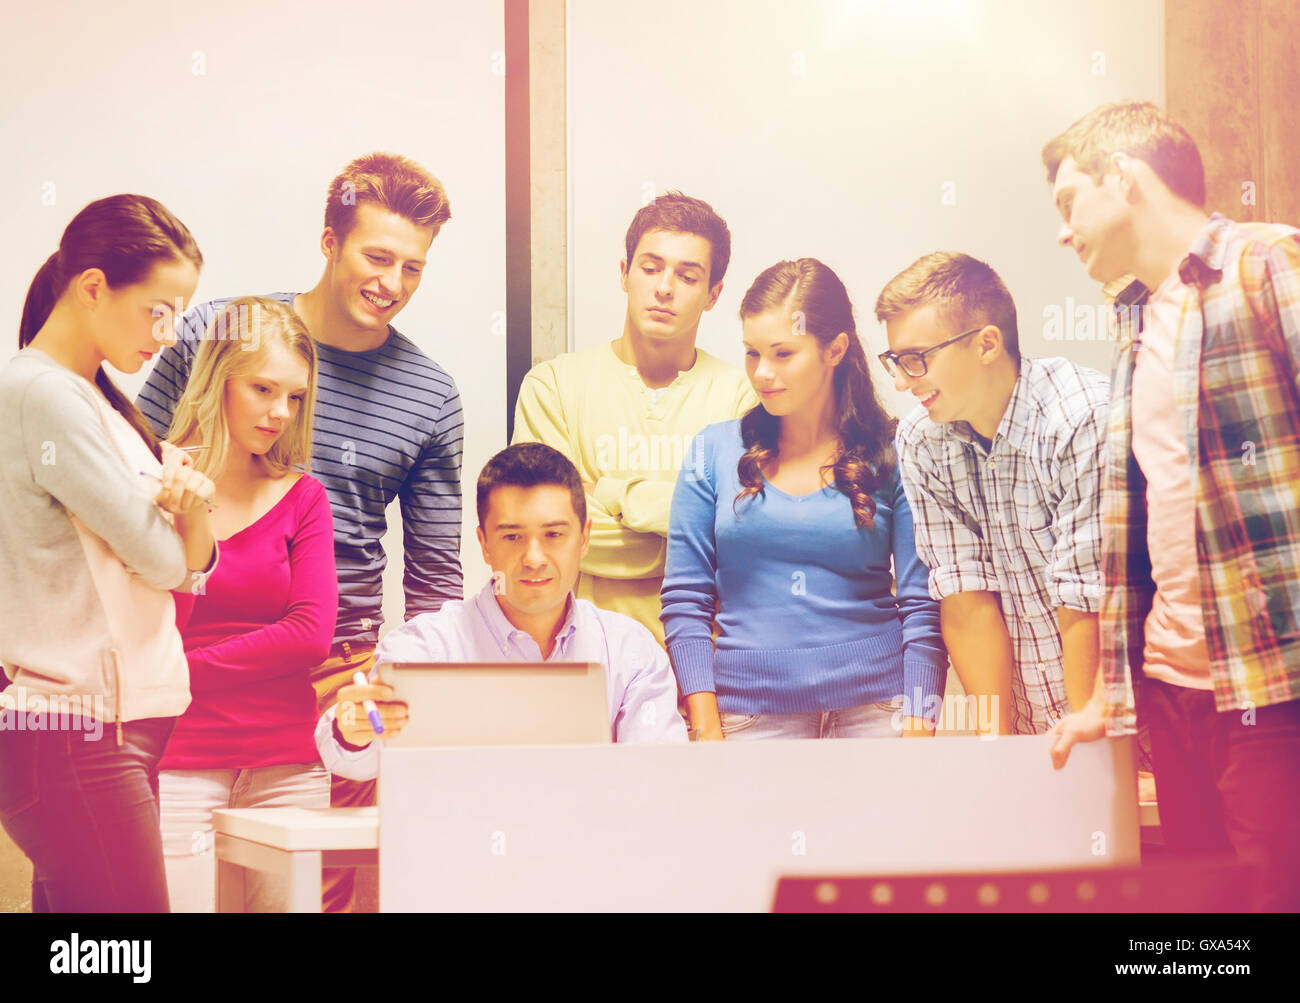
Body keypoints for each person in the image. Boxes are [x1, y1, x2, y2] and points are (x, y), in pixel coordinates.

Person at [137, 152, 462, 912]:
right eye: (377, 257)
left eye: (413, 268)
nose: (392, 284)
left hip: (337, 680)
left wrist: (390, 710)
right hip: (189, 668)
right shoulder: (228, 330)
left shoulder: (431, 394)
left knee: (328, 895)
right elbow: (139, 473)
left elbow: (435, 584)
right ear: (329, 242)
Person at [1043, 100, 1300, 910]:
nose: (1062, 232)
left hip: (1273, 688)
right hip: (1173, 695)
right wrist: (1107, 698)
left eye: (1067, 202)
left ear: (1124, 177)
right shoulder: (1134, 319)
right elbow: (1145, 528)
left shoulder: (1268, 264)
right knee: (1201, 929)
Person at [0, 195, 216, 912]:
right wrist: (179, 523)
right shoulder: (43, 396)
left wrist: (185, 523)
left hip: (101, 735)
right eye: (158, 309)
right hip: (75, 735)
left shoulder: (95, 401)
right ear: (93, 287)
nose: (168, 334)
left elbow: (189, 560)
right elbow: (165, 563)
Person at [661, 258, 946, 741]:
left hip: (880, 711)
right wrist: (705, 725)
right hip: (746, 716)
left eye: (783, 353)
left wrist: (920, 720)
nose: (762, 373)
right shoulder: (712, 451)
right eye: (752, 353)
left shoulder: (893, 454)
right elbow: (685, 600)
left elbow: (923, 603)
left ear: (835, 349)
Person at [317, 442, 686, 778]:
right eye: (512, 536)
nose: (534, 558)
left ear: (584, 537)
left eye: (554, 534)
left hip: (589, 846)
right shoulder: (423, 649)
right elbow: (361, 760)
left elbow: (658, 776)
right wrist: (350, 728)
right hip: (459, 846)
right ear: (484, 543)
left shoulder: (631, 652)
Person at [875, 251, 1108, 736]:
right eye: (895, 361)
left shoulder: (1081, 418)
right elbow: (964, 595)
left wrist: (1085, 740)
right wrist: (997, 744)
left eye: (917, 360)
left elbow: (1088, 599)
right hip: (1028, 727)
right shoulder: (922, 439)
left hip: (1129, 724)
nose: (900, 382)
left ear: (986, 344)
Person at [512, 192, 757, 648]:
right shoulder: (553, 388)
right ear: (625, 273)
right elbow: (541, 532)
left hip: (704, 667)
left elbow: (742, 533)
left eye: (688, 276)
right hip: (578, 658)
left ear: (713, 295)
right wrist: (689, 528)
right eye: (650, 267)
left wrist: (609, 493)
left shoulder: (741, 397)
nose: (665, 288)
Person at [156, 298, 337, 912]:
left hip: (288, 765)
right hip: (178, 761)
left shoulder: (304, 497)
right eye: (262, 388)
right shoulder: (154, 481)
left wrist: (181, 671)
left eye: (294, 397)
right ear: (218, 376)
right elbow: (147, 627)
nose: (279, 413)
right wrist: (190, 536)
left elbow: (311, 635)